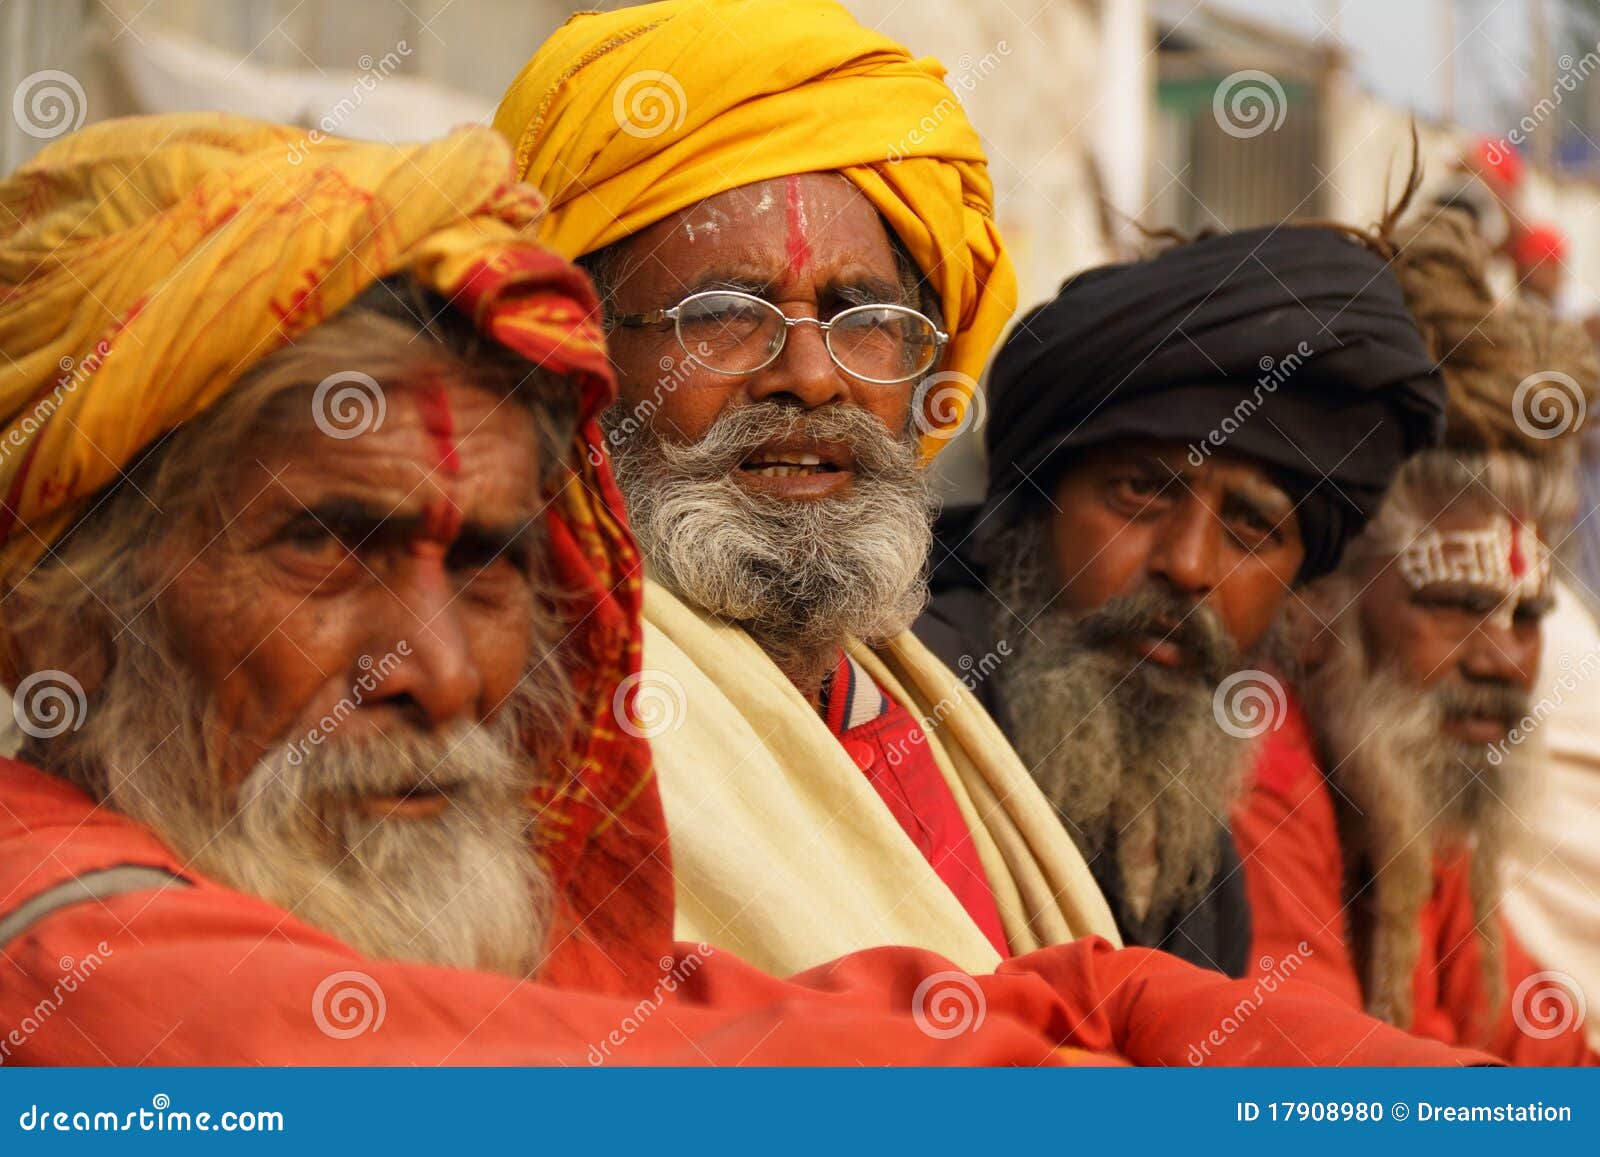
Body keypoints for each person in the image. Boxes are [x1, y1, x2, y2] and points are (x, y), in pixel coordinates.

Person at [0, 114, 1484, 1069]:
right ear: (56, 604)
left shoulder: (513, 873)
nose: (445, 675)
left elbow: (911, 1015)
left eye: (494, 563)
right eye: (326, 547)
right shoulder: (76, 957)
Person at [493, 0, 1118, 976]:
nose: (812, 374)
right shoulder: (528, 724)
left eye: (864, 315)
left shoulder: (904, 700)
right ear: (581, 352)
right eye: (722, 314)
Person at [918, 210, 1445, 976]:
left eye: (1252, 529)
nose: (1190, 566)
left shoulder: (1198, 859)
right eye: (1140, 492)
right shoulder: (903, 714)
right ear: (1036, 503)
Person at [1235, 210, 1598, 1064]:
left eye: (1529, 615)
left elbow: (1540, 1043)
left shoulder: (1416, 801)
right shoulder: (1261, 766)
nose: (1503, 658)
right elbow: (1327, 1085)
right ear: (1317, 608)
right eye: (1453, 602)